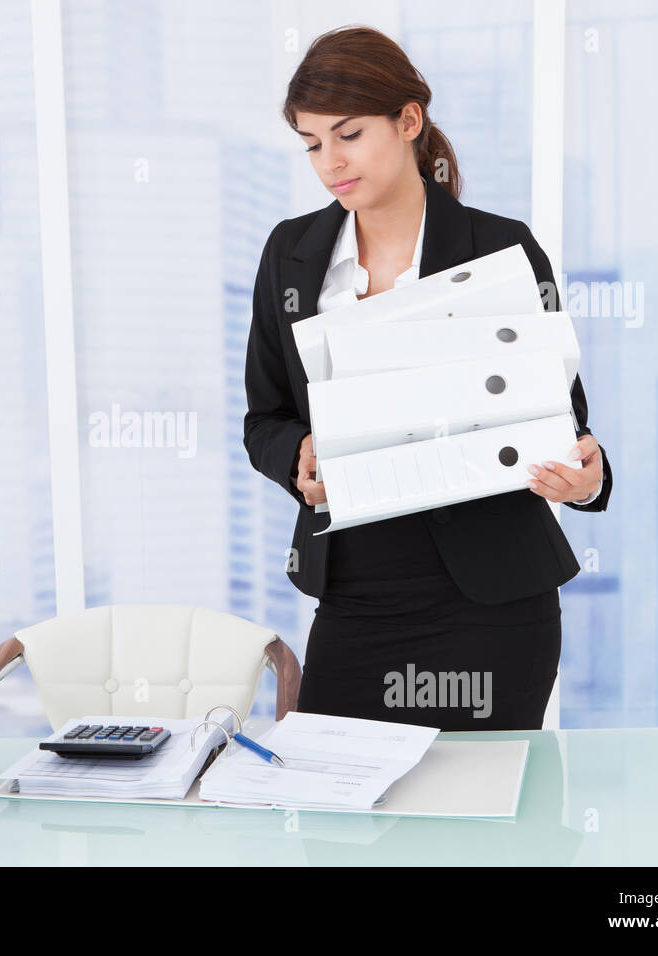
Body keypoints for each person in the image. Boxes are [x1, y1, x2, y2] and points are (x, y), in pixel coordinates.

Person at [243, 26, 613, 730]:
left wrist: (587, 477)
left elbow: (566, 421)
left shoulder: (501, 249)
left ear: (408, 121)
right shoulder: (290, 255)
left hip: (494, 604)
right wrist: (298, 456)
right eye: (313, 143)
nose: (329, 163)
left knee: (480, 829)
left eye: (348, 135)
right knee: (339, 828)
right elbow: (263, 419)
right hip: (356, 597)